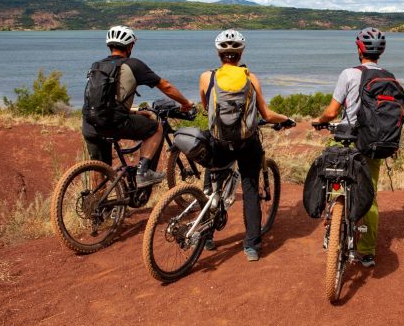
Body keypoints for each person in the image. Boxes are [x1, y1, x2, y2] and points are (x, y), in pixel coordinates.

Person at [198, 29, 294, 261]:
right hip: (246, 142)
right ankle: (251, 246)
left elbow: (205, 107)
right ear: (240, 53)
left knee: (213, 188)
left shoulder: (207, 77)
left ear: (219, 53)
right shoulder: (250, 78)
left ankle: (207, 236)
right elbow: (267, 114)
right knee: (250, 190)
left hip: (219, 141)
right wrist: (287, 120)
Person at [312, 27, 388, 268]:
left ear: (359, 49)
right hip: (374, 143)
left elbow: (332, 111)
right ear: (380, 52)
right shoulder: (389, 77)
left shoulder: (349, 74)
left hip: (347, 139)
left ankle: (333, 224)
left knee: (336, 180)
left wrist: (320, 121)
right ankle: (366, 252)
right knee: (370, 194)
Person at [82, 25, 194, 186]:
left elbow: (102, 101)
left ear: (109, 45)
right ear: (130, 46)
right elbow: (166, 86)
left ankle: (97, 206)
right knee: (156, 128)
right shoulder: (133, 65)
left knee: (101, 168)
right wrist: (185, 103)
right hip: (112, 122)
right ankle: (143, 172)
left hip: (89, 124)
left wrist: (135, 111)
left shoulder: (96, 66)